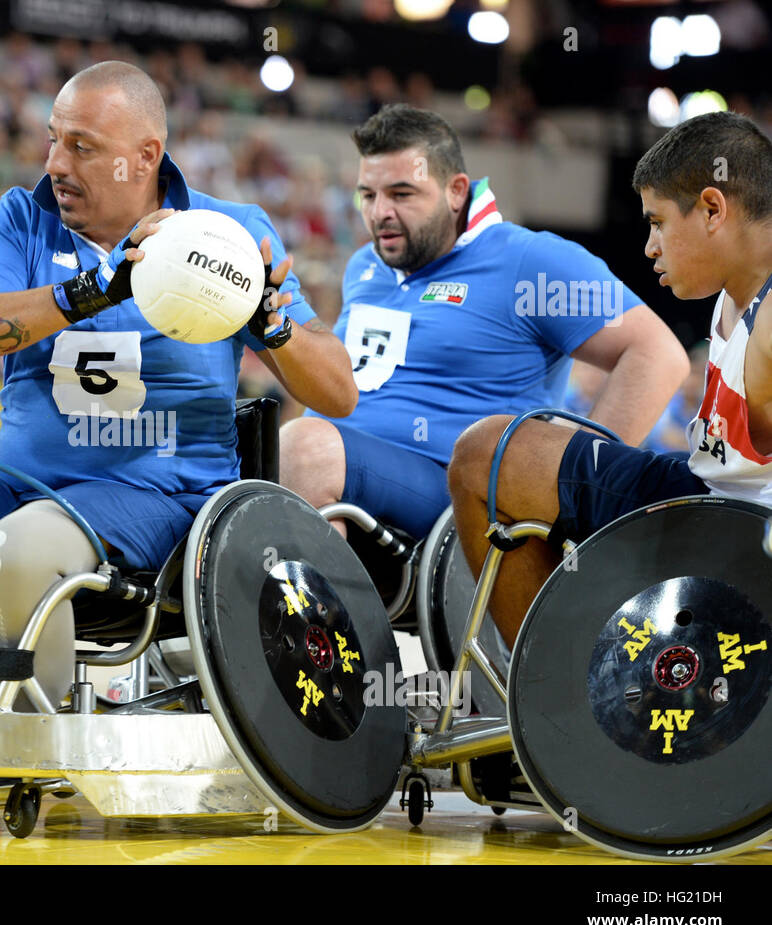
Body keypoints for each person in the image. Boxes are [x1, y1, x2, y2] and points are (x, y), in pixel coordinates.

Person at [0, 61, 355, 704]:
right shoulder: (23, 218)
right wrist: (88, 292)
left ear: (144, 157)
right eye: (53, 138)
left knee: (19, 552)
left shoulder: (228, 235)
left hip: (165, 505)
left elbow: (338, 394)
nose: (56, 162)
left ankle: (33, 758)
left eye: (82, 147)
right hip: (24, 493)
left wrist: (270, 325)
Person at [280, 105, 688, 540]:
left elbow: (658, 355)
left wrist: (573, 482)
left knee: (304, 449)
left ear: (456, 191)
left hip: (455, 501)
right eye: (368, 195)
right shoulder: (366, 264)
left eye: (401, 194)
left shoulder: (528, 261)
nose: (380, 212)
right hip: (342, 473)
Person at [448, 111, 772, 645]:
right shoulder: (735, 288)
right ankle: (561, 687)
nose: (649, 247)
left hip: (732, 534)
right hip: (701, 488)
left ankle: (559, 706)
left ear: (713, 209)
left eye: (658, 222)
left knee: (484, 457)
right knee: (490, 454)